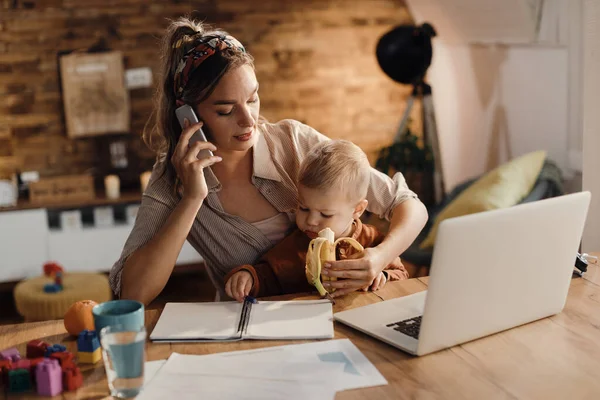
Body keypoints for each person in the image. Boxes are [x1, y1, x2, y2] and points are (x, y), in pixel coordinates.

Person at [109, 17, 428, 306]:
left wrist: (379, 257)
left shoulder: (294, 141)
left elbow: (407, 203)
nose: (248, 120)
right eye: (225, 110)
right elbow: (132, 293)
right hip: (246, 331)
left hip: (334, 316)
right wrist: (193, 198)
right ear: (188, 115)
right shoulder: (171, 179)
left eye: (252, 99)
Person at [224, 140, 409, 301]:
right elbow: (268, 275)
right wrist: (249, 276)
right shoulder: (295, 246)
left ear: (358, 210)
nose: (311, 221)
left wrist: (384, 276)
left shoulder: (373, 242)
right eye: (303, 208)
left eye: (325, 214)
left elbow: (402, 274)